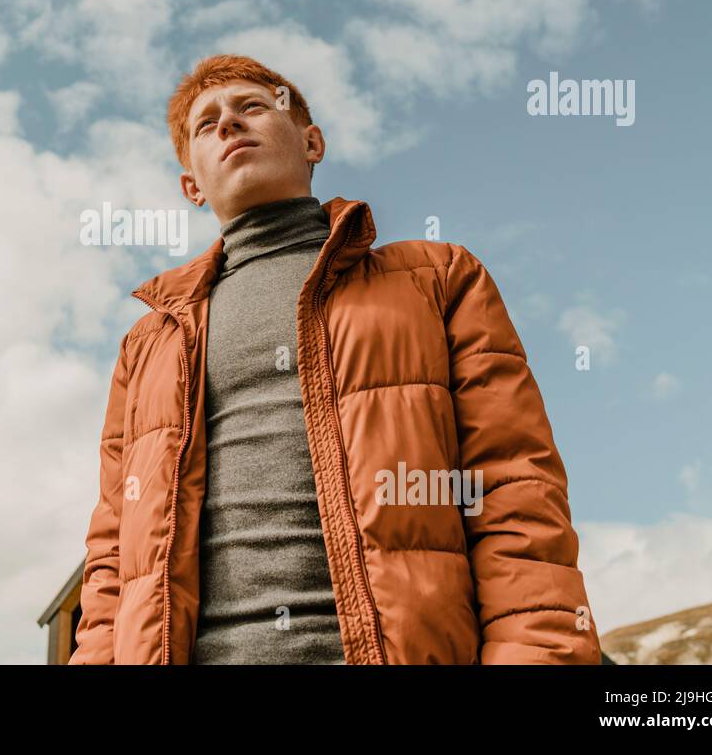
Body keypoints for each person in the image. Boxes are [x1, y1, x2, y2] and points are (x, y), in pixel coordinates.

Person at [69, 53, 601, 665]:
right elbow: (112, 549)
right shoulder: (149, 342)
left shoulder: (439, 279)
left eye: (253, 107)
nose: (228, 125)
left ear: (310, 139)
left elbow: (513, 486)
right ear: (191, 184)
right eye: (205, 124)